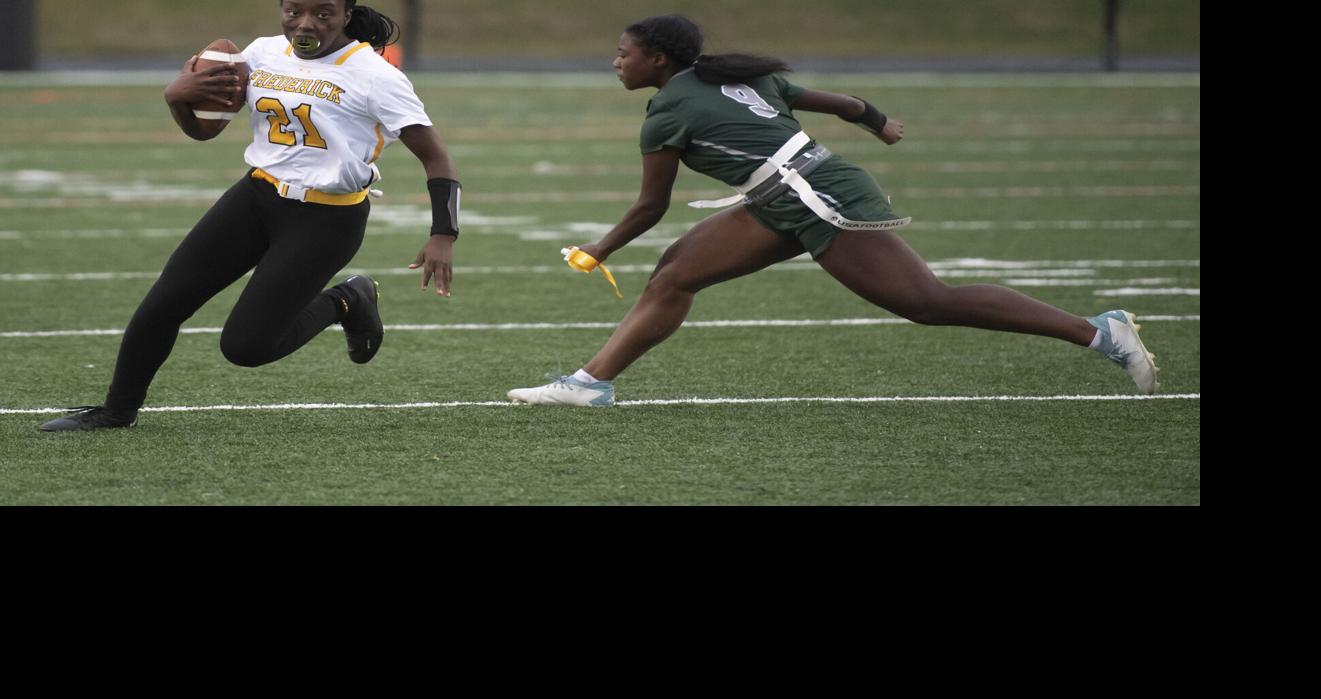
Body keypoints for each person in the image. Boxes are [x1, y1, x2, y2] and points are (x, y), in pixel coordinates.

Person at [507, 14, 1157, 408]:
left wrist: (601, 250)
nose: (614, 61)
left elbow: (652, 205)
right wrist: (881, 126)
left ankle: (1098, 332)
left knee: (926, 301)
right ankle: (590, 383)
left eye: (623, 53)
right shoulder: (741, 78)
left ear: (658, 60)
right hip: (785, 193)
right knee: (676, 275)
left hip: (819, 197)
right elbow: (844, 104)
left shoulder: (667, 110)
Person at [41, 0, 461, 432]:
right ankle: (116, 411)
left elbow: (437, 158)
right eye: (294, 11)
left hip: (326, 218)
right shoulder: (260, 53)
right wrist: (176, 99)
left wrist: (442, 234)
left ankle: (347, 300)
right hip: (256, 195)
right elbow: (203, 131)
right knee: (162, 304)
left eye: (323, 13)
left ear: (346, 16)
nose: (305, 23)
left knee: (246, 346)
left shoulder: (376, 76)